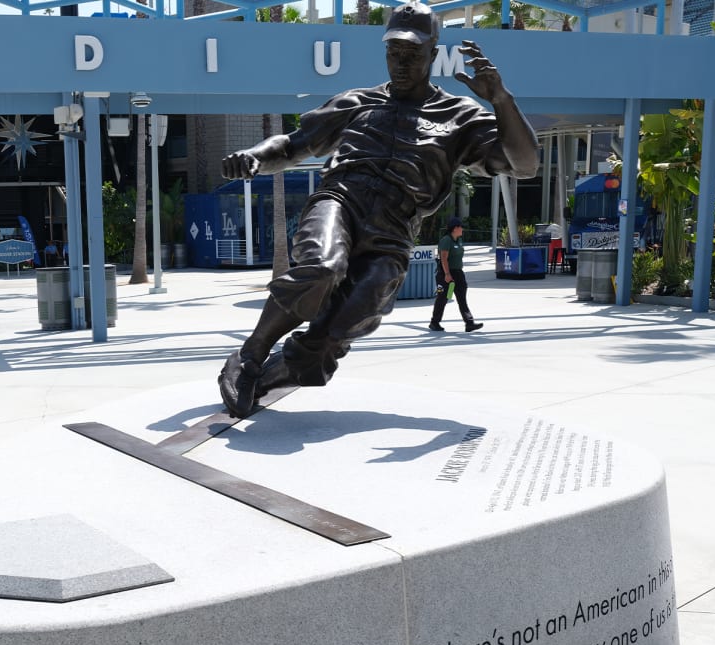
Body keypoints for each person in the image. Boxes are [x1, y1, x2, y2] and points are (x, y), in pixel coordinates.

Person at [216, 1, 537, 418]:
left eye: (412, 54)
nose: (401, 63)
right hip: (341, 201)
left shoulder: (460, 117)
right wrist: (254, 157)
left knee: (345, 324)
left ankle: (275, 374)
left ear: (433, 53)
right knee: (322, 268)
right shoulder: (357, 101)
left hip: (394, 230)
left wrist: (502, 100)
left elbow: (525, 165)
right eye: (393, 52)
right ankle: (250, 355)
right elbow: (293, 145)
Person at [430, 216, 482, 332]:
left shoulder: (459, 240)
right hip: (446, 274)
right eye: (461, 227)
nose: (462, 229)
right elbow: (443, 258)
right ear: (455, 228)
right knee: (443, 298)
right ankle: (434, 322)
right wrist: (447, 274)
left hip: (458, 274)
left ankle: (469, 323)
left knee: (462, 298)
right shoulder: (446, 240)